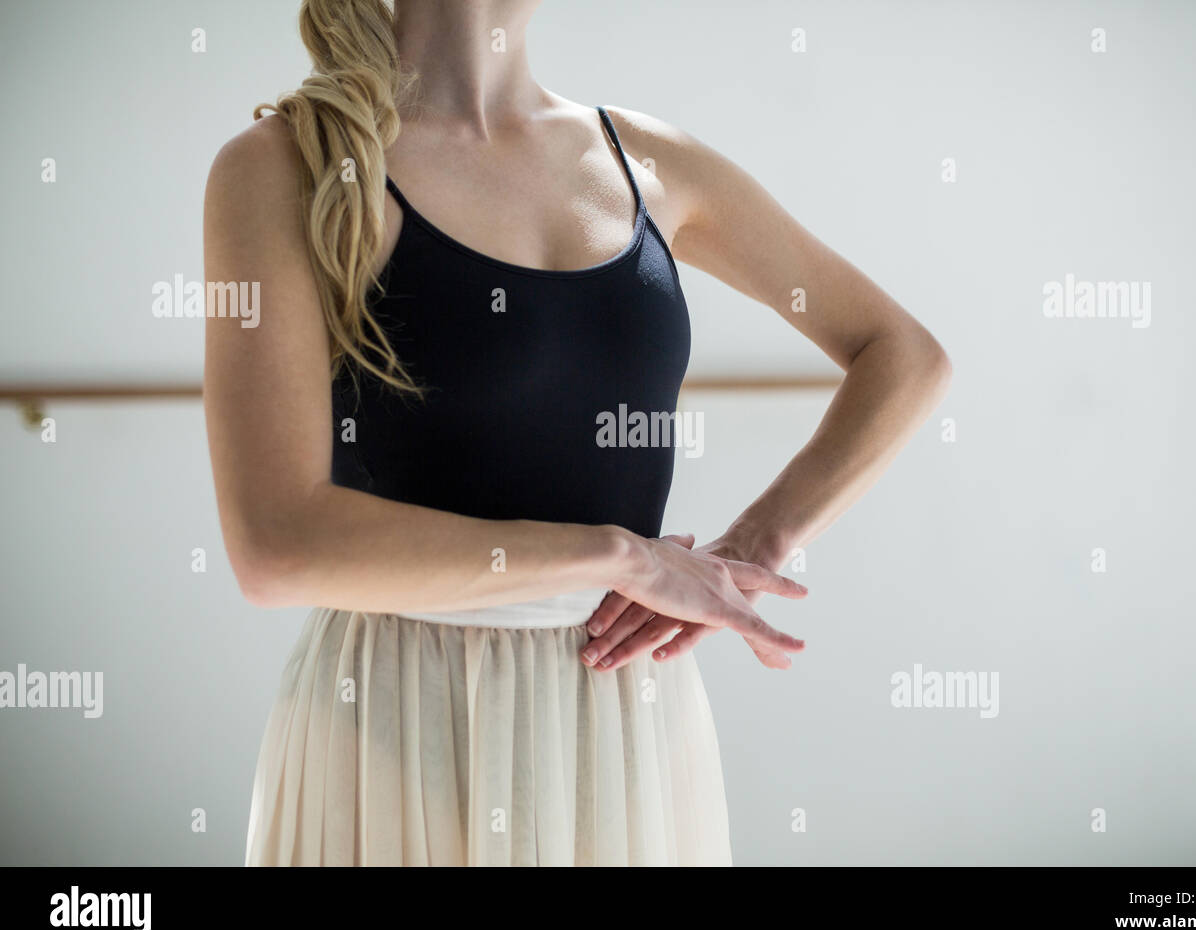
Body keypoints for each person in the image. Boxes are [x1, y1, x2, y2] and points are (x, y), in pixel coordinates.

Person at [203, 0, 951, 866]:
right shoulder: (285, 168)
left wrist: (758, 540)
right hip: (395, 714)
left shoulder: (651, 162)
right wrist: (622, 556)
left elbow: (903, 354)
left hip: (625, 723)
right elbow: (276, 547)